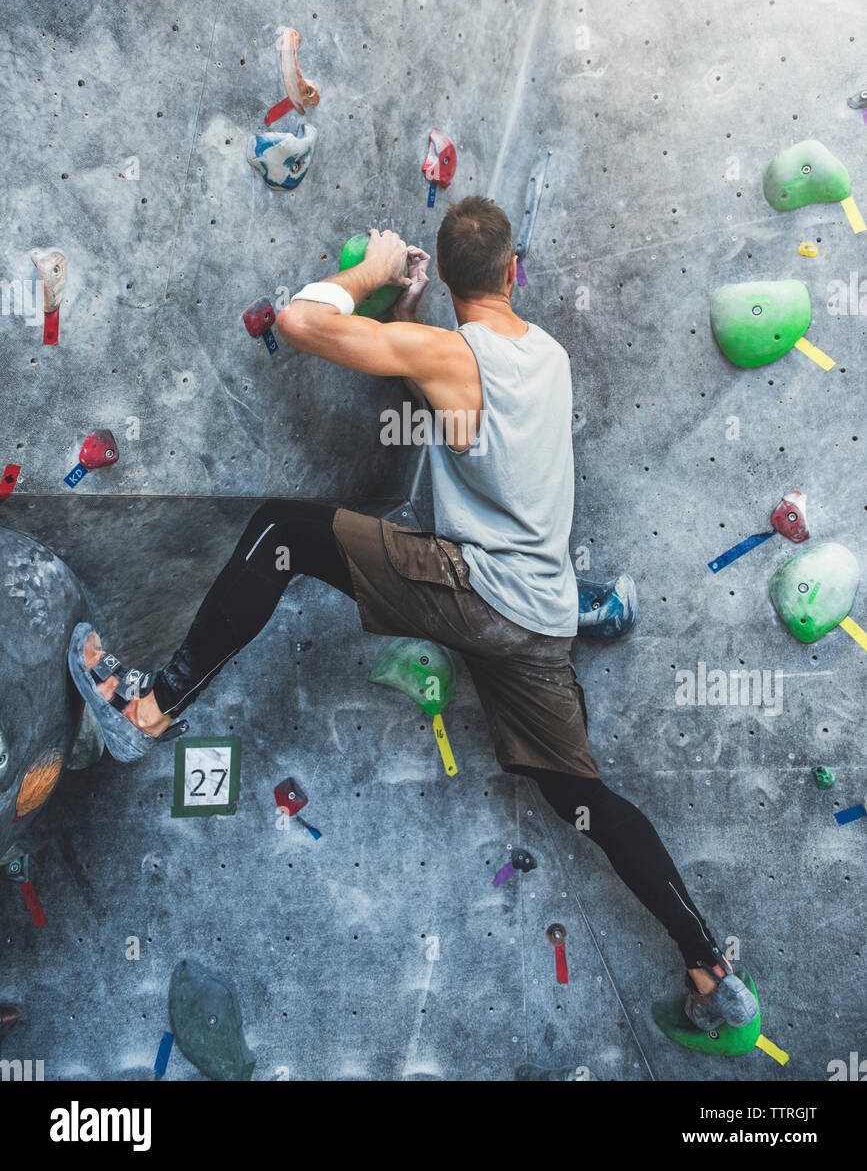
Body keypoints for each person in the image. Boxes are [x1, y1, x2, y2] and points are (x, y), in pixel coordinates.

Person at [69, 196, 757, 1034]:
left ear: (453, 272)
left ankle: (148, 709)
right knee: (580, 794)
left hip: (470, 588)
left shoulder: (449, 358)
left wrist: (369, 271)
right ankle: (709, 969)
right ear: (513, 273)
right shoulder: (549, 355)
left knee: (283, 532)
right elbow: (458, 396)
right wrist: (409, 317)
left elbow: (297, 321)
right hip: (538, 618)